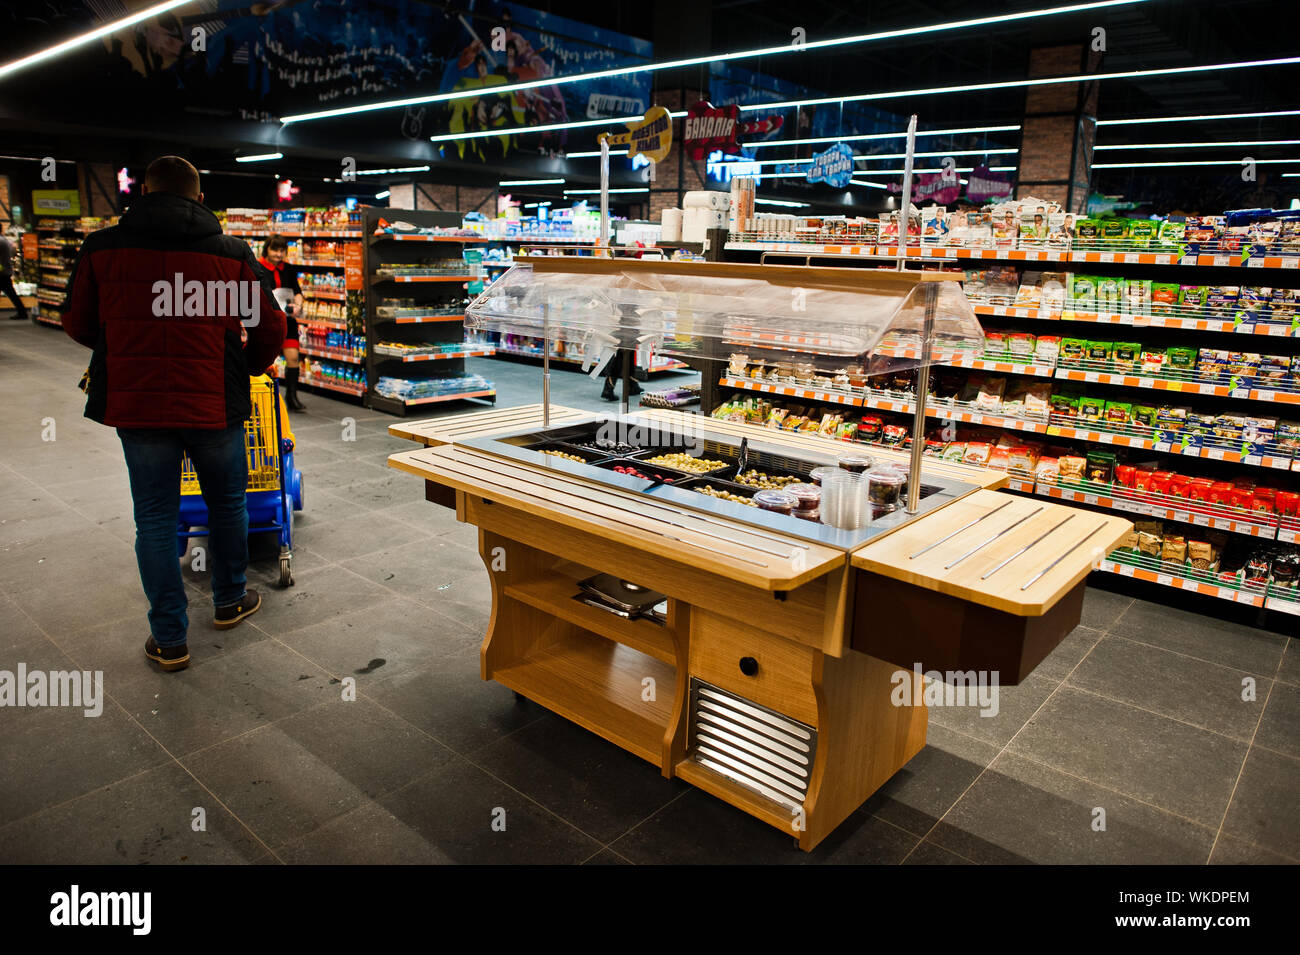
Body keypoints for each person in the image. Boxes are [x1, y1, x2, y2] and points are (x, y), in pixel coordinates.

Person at [61, 156, 285, 672]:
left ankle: (169, 638)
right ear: (200, 199)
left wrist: (120, 346)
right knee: (228, 504)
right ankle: (229, 601)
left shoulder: (103, 248)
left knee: (154, 518)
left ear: (142, 193)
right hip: (214, 401)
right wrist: (245, 365)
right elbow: (271, 326)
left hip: (138, 407)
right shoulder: (231, 253)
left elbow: (76, 320)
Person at [257, 234, 306, 410]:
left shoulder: (289, 269)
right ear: (267, 249)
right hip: (267, 322)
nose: (278, 254)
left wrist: (298, 304)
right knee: (268, 361)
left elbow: (298, 291)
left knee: (293, 358)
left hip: (288, 321)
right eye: (275, 250)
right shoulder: (258, 267)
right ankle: (267, 399)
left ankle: (291, 396)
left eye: (281, 250)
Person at [0, 231, 31, 321]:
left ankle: (22, 312)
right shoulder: (4, 240)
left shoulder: (1, 241)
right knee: (12, 294)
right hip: (5, 271)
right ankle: (22, 312)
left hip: (2, 272)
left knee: (12, 294)